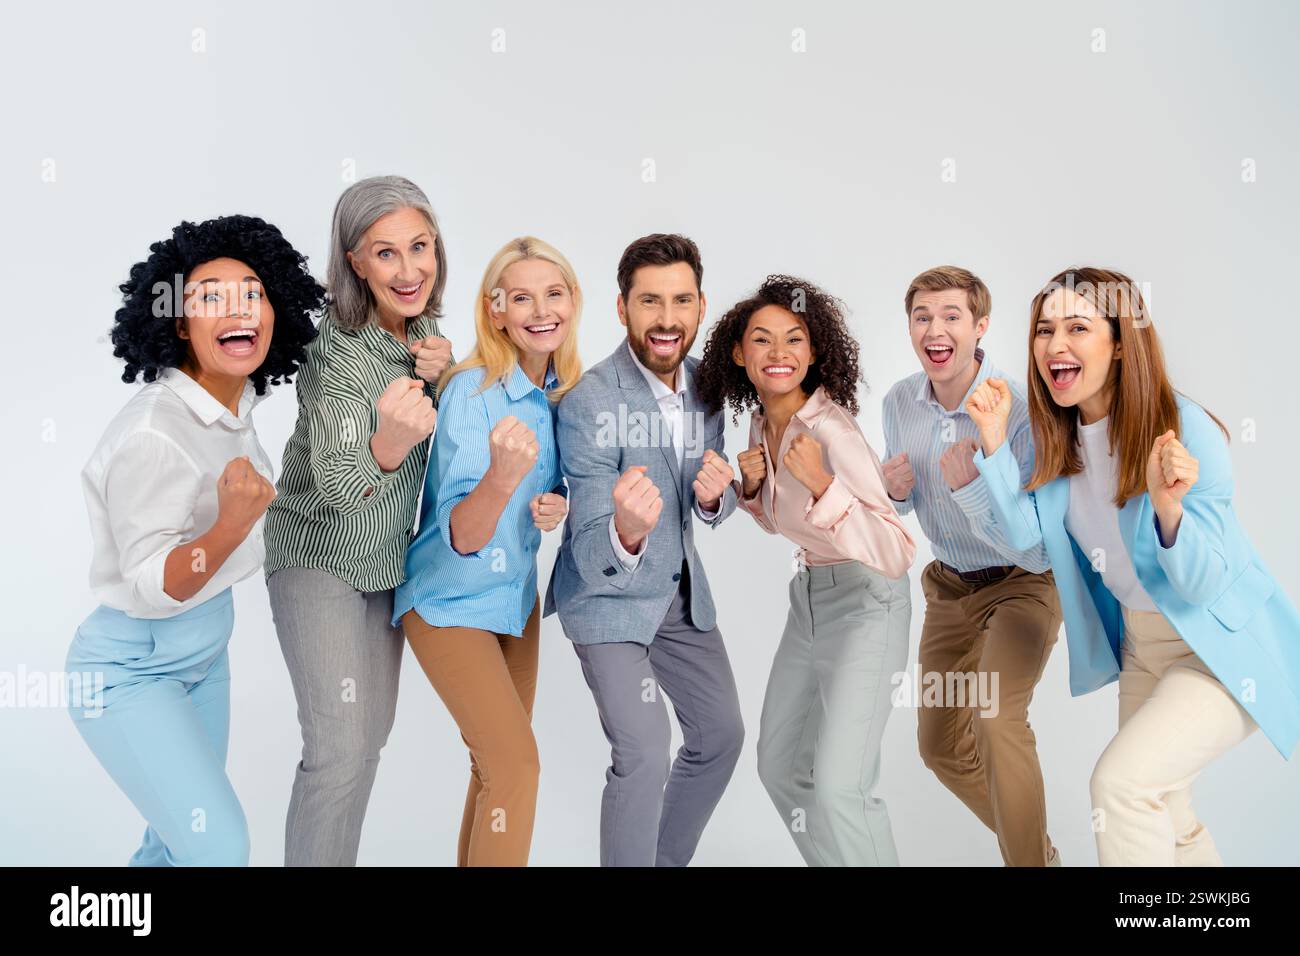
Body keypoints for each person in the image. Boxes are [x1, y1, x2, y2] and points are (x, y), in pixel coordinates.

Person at [967, 267, 1300, 865]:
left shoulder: (1183, 428)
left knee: (1120, 787)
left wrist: (1168, 508)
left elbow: (1203, 582)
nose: (1054, 345)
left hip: (1219, 650)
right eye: (1044, 330)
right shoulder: (1056, 439)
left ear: (1120, 343)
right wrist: (992, 440)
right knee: (1168, 811)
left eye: (1077, 327)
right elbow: (1029, 542)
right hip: (1142, 647)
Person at [68, 214, 323, 865]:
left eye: (252, 292)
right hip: (131, 667)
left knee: (176, 845)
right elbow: (157, 583)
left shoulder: (230, 406)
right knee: (218, 846)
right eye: (212, 297)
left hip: (204, 653)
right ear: (179, 323)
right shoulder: (157, 431)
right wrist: (229, 524)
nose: (239, 308)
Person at [263, 175, 452, 866]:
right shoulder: (332, 356)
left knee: (365, 744)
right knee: (337, 750)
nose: (409, 271)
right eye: (386, 254)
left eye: (420, 247)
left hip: (384, 565)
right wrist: (391, 441)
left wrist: (447, 372)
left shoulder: (426, 333)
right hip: (318, 559)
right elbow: (344, 486)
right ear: (354, 262)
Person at [695, 275, 915, 865]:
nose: (779, 353)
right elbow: (786, 523)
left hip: (870, 601)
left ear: (814, 352)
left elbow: (895, 549)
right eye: (761, 341)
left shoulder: (831, 431)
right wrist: (752, 489)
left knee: (843, 788)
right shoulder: (763, 425)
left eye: (794, 340)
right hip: (809, 601)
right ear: (739, 355)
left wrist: (823, 481)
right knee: (780, 768)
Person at [545, 233, 744, 867]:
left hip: (679, 597)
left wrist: (717, 499)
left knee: (720, 736)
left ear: (701, 305)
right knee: (644, 749)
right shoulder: (590, 396)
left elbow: (704, 497)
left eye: (681, 300)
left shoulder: (707, 386)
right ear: (623, 308)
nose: (666, 319)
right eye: (650, 301)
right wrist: (627, 529)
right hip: (608, 599)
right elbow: (588, 537)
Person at [395, 237, 581, 866]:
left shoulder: (560, 394)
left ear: (573, 303)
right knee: (518, 767)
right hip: (448, 601)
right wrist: (501, 481)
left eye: (553, 293)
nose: (540, 309)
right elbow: (464, 535)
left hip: (515, 603)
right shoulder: (470, 392)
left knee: (493, 772)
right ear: (495, 310)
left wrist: (557, 503)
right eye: (521, 297)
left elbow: (550, 486)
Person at [880, 265, 1064, 866]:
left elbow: (1035, 547)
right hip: (950, 590)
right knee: (938, 747)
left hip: (1023, 587)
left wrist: (972, 488)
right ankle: (1040, 854)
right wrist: (897, 492)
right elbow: (907, 501)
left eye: (951, 316)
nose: (935, 329)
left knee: (995, 717)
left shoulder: (1018, 409)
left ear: (980, 326)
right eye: (922, 317)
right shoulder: (898, 402)